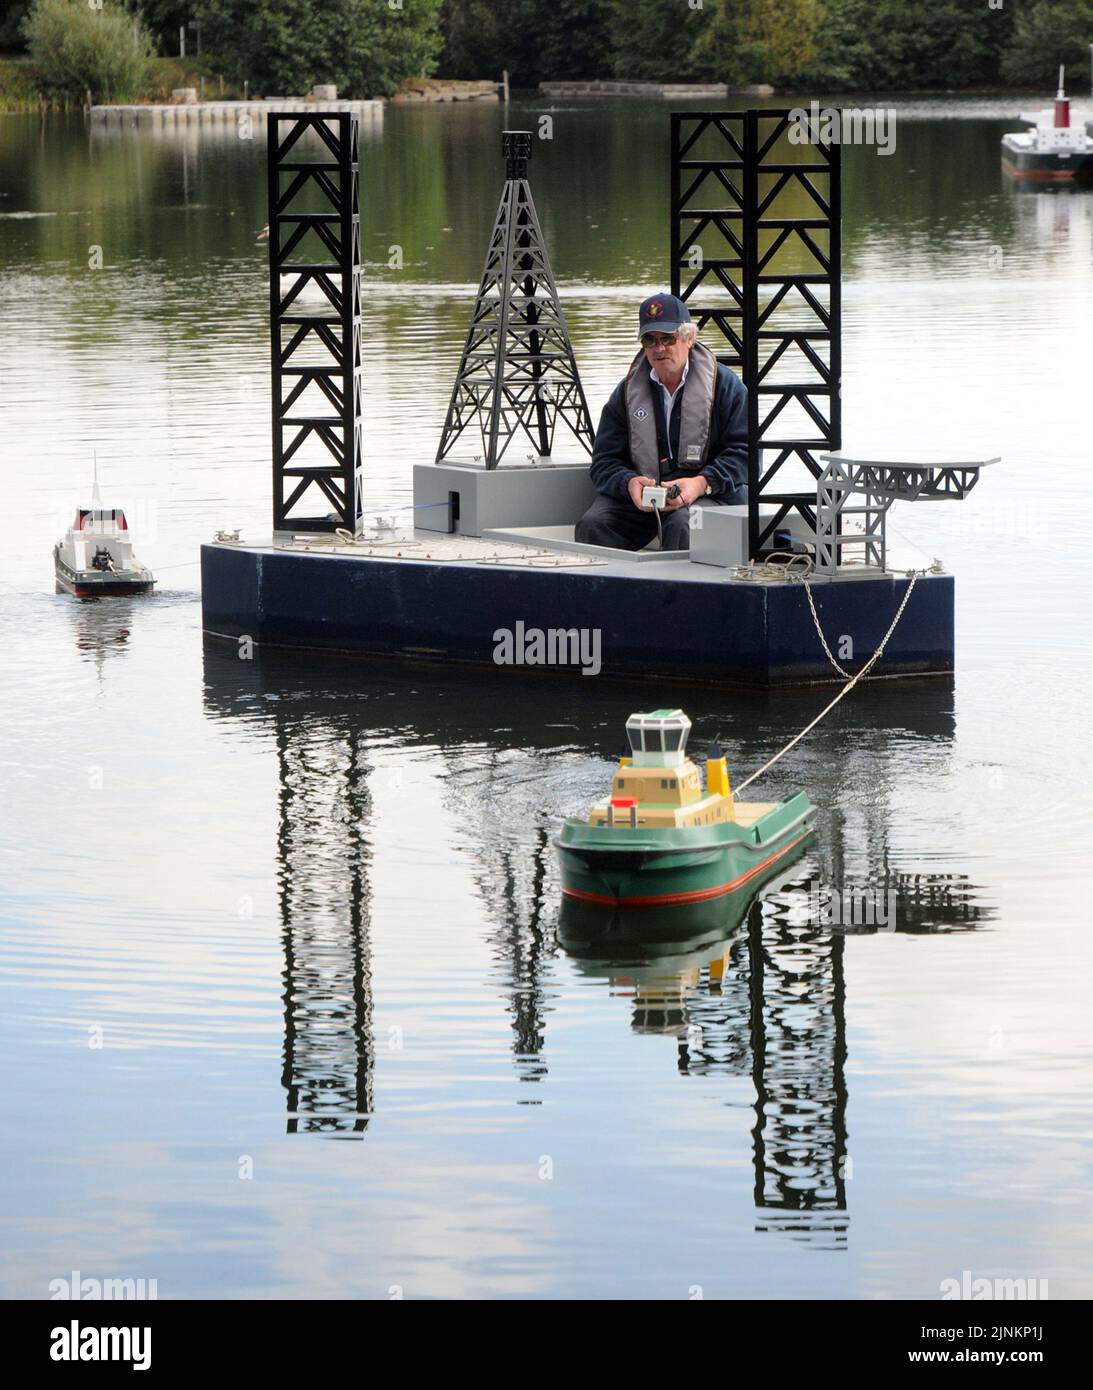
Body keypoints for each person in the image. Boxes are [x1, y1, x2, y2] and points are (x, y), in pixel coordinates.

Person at [574, 293, 748, 551]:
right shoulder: (626, 393)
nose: (659, 349)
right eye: (650, 340)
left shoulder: (726, 386)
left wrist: (700, 483)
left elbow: (746, 456)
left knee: (683, 524)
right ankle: (612, 591)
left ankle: (680, 592)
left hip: (711, 495)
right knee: (594, 525)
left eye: (668, 338)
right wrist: (630, 483)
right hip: (646, 499)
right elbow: (604, 462)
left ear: (690, 339)